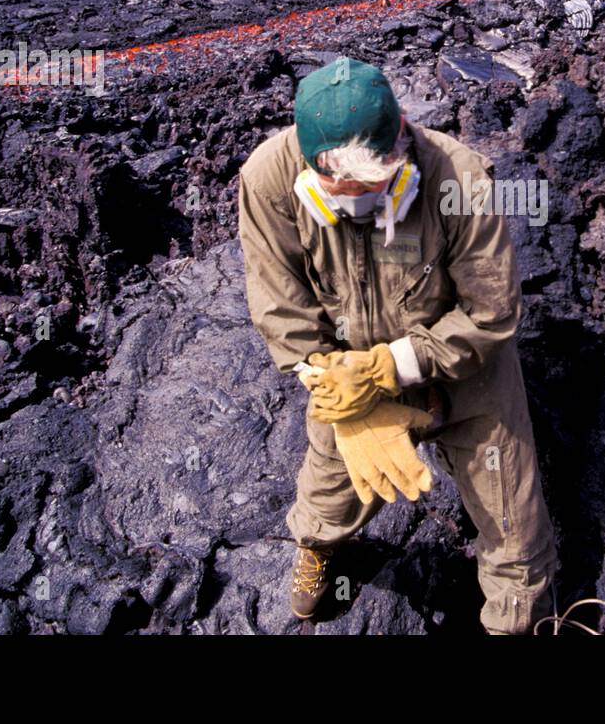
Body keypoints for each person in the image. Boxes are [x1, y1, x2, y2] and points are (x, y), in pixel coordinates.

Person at [237, 55, 558, 634]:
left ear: (400, 138)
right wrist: (335, 383)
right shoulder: (267, 180)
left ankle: (517, 623)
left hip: (464, 365)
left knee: (515, 527)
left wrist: (393, 365)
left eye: (374, 186)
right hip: (348, 367)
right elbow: (279, 304)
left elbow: (491, 312)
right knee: (328, 492)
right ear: (309, 165)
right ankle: (318, 548)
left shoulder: (460, 179)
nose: (357, 200)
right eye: (341, 190)